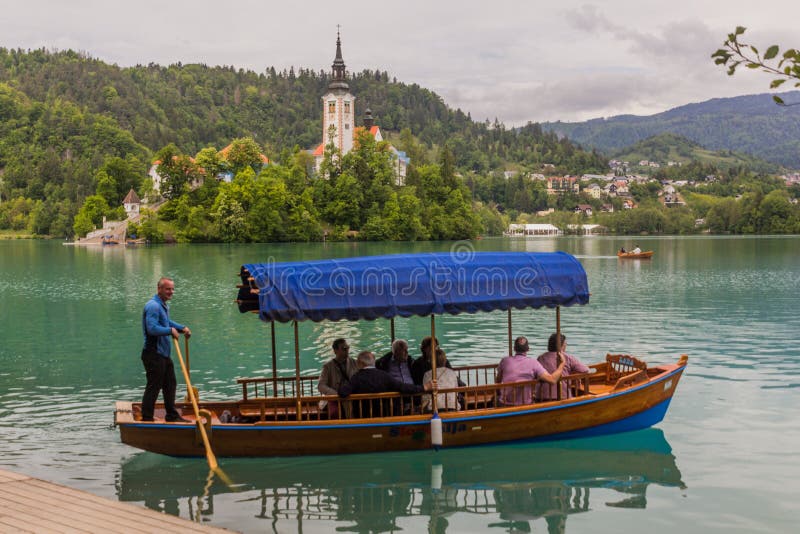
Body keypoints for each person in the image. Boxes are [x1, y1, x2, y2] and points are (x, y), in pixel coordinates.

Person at [140, 277, 192, 422]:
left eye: (172, 289)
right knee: (154, 386)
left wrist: (181, 328)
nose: (171, 292)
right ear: (159, 289)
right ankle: (147, 418)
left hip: (162, 354)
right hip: (153, 353)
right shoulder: (153, 306)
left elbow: (165, 322)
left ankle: (171, 415)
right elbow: (152, 328)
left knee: (170, 384)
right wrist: (170, 330)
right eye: (168, 289)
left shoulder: (162, 305)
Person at [339, 351, 433, 417]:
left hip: (362, 415)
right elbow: (403, 387)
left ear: (359, 363)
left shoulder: (356, 378)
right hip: (384, 414)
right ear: (373, 362)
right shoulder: (384, 376)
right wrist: (424, 387)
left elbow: (343, 392)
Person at [495, 336, 565, 406]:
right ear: (528, 349)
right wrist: (562, 364)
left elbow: (498, 380)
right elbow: (552, 380)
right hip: (525, 404)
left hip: (504, 403)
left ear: (514, 349)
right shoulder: (533, 363)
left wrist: (498, 394)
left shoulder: (505, 361)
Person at [536, 333, 590, 401]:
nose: (566, 345)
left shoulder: (541, 358)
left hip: (541, 397)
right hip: (562, 396)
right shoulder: (566, 357)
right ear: (562, 345)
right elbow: (585, 370)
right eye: (565, 343)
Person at [317, 338, 358, 417]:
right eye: (344, 348)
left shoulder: (355, 363)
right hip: (334, 398)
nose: (347, 350)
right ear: (335, 351)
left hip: (351, 396)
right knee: (335, 413)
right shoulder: (328, 366)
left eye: (348, 348)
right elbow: (321, 386)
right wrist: (336, 394)